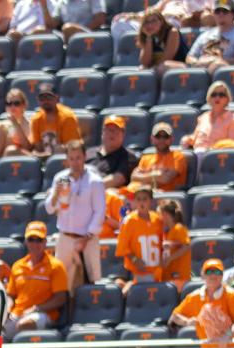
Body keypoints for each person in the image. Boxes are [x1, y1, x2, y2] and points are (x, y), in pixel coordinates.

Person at [46, 140, 104, 290]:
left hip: (88, 240)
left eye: (78, 158)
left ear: (84, 157)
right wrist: (56, 193)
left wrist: (87, 237)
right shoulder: (60, 178)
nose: (75, 162)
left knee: (91, 283)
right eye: (71, 158)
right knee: (61, 283)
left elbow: (100, 211)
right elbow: (50, 209)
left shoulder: (95, 181)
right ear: (67, 160)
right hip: (65, 238)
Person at [4, 220, 69, 338]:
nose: (35, 244)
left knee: (25, 325)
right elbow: (10, 295)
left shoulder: (56, 266)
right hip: (17, 313)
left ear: (45, 242)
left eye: (39, 240)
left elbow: (60, 298)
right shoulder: (18, 265)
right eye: (31, 239)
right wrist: (7, 310)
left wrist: (36, 309)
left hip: (44, 314)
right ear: (26, 242)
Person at [185, 0, 234, 74]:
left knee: (217, 65)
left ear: (233, 14)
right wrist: (198, 62)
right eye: (217, 11)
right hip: (201, 70)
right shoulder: (205, 35)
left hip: (227, 74)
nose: (221, 14)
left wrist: (214, 60)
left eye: (225, 11)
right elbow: (189, 58)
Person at [115, 182, 163, 288]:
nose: (141, 202)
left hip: (158, 270)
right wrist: (134, 259)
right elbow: (122, 247)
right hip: (140, 272)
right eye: (138, 199)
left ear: (151, 201)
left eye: (145, 199)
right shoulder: (129, 221)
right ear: (135, 201)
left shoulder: (158, 219)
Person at [182, 81, 234, 153]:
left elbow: (233, 147)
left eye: (221, 95)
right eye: (213, 94)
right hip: (198, 153)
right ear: (209, 99)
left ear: (227, 99)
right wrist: (187, 139)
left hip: (217, 157)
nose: (217, 97)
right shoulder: (203, 117)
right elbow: (195, 139)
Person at [30, 82, 82, 158]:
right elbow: (38, 147)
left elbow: (72, 147)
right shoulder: (36, 119)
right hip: (43, 159)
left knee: (59, 149)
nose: (45, 101)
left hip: (67, 158)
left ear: (57, 98)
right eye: (42, 99)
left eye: (48, 98)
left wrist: (49, 154)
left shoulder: (67, 117)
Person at [132, 122, 187, 192]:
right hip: (144, 195)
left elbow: (166, 179)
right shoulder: (146, 158)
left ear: (172, 139)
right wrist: (157, 175)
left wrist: (145, 176)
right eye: (158, 136)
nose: (162, 140)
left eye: (166, 136)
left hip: (166, 196)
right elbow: (134, 177)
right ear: (152, 139)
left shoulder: (178, 156)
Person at [0, 89, 33, 163]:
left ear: (24, 105)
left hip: (24, 161)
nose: (12, 106)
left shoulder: (30, 124)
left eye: (16, 103)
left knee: (11, 150)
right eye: (9, 103)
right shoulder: (3, 126)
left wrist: (15, 123)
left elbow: (28, 148)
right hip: (4, 161)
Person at [90, 116, 136, 189]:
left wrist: (88, 188)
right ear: (102, 132)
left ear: (123, 134)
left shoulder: (128, 156)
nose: (112, 133)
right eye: (109, 130)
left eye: (116, 130)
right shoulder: (89, 152)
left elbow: (118, 179)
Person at [138, 9, 188, 73]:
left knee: (162, 66)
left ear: (161, 21)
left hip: (181, 66)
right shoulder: (147, 35)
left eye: (154, 21)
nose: (150, 25)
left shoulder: (172, 32)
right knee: (142, 68)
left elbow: (167, 58)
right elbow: (145, 62)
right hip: (158, 68)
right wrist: (149, 37)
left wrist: (152, 69)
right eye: (147, 22)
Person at [158, 199, 192, 287]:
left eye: (160, 214)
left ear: (165, 214)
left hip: (179, 278)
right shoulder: (168, 232)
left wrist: (170, 259)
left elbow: (186, 246)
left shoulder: (179, 228)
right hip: (170, 278)